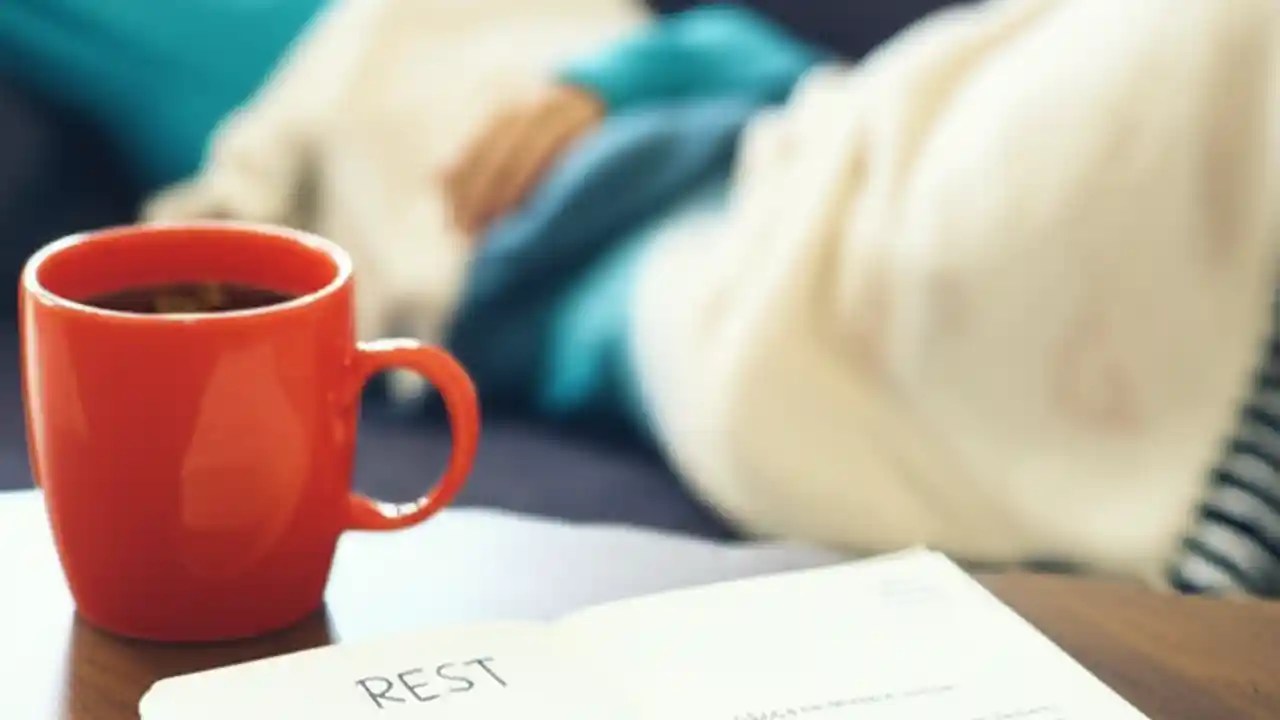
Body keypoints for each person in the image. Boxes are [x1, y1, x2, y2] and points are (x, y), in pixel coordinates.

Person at [151, 0, 1280, 597]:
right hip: (667, 281)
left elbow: (779, 68)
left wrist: (603, 85)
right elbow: (198, 267)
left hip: (817, 148)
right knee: (771, 372)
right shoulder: (295, 107)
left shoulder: (563, 19)